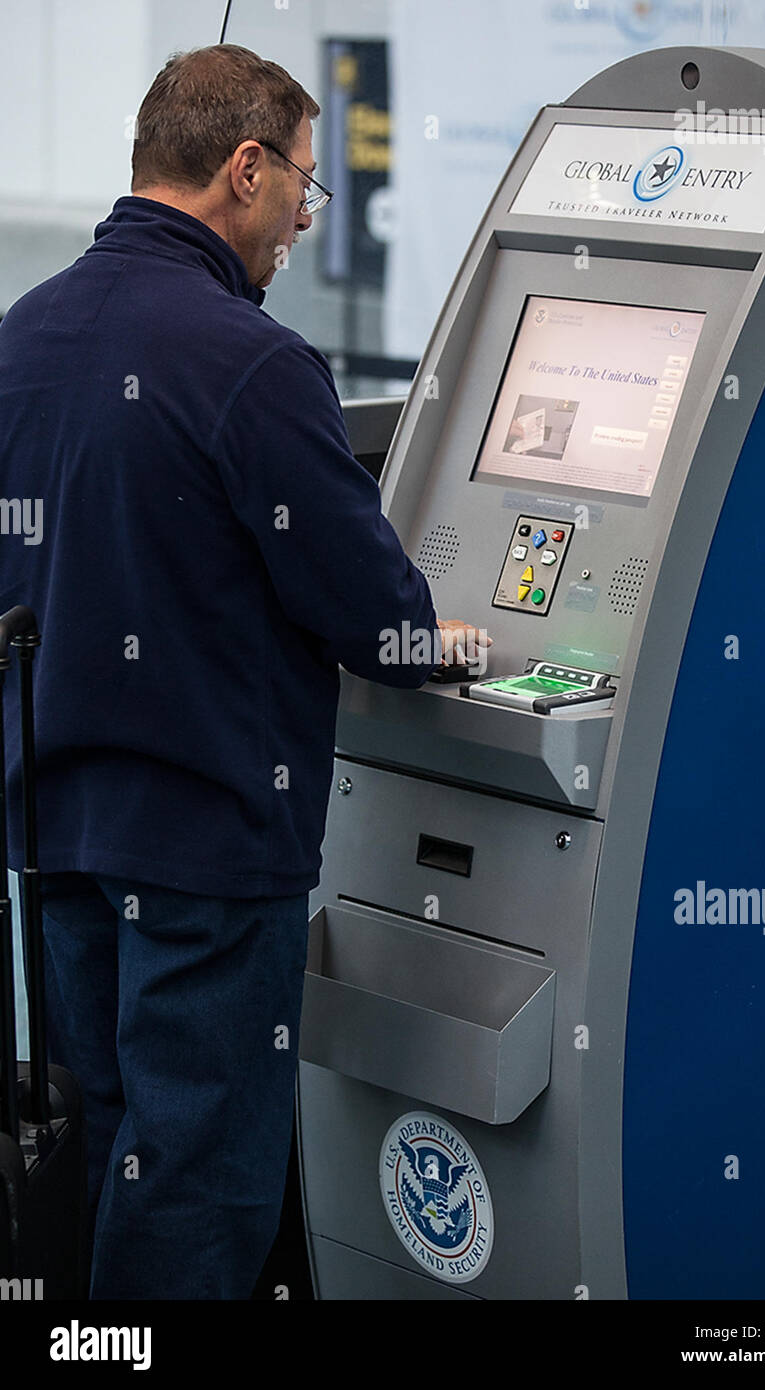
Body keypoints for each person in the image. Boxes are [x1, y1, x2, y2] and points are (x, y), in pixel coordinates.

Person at [0, 43, 489, 1300]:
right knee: (199, 1188)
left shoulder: (25, 336)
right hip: (208, 858)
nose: (299, 223)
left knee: (107, 1149)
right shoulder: (252, 363)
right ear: (244, 168)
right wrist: (447, 642)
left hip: (59, 842)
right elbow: (369, 613)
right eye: (302, 191)